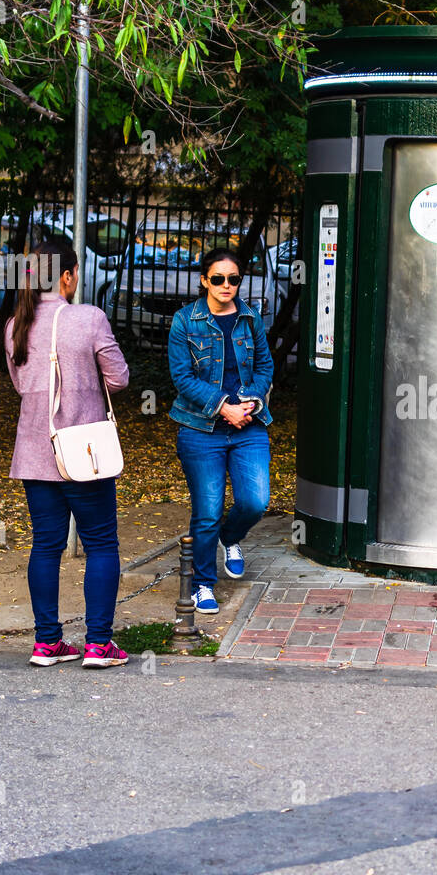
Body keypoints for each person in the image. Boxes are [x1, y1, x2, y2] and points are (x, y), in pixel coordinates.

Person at [5, 237, 130, 667]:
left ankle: (47, 643)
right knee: (100, 544)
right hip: (84, 452)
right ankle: (98, 644)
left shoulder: (15, 325)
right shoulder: (89, 318)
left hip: (35, 452)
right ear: (67, 276)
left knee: (45, 545)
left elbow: (23, 386)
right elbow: (119, 380)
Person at [168, 246, 272, 614]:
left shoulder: (250, 318)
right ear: (204, 281)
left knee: (255, 501)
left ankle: (231, 537)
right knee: (207, 510)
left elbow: (265, 367)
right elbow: (182, 377)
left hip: (248, 423)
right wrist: (222, 407)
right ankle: (202, 585)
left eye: (233, 279)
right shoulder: (185, 321)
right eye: (218, 279)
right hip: (200, 427)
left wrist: (251, 402)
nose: (226, 285)